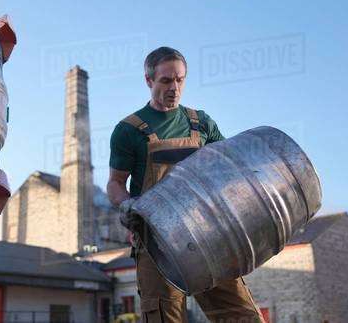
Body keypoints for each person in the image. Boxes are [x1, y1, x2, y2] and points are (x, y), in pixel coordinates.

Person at [107, 47, 264, 323]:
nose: (174, 88)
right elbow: (115, 183)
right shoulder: (129, 130)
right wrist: (126, 204)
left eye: (180, 80)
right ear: (148, 81)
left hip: (209, 237)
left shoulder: (201, 123)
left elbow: (227, 169)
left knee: (242, 316)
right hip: (157, 245)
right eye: (166, 81)